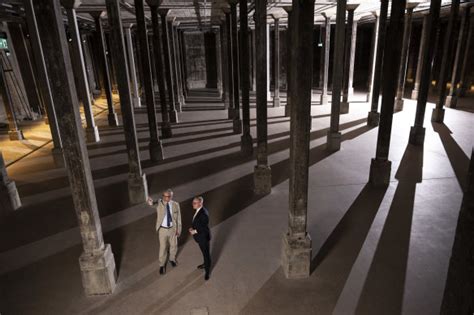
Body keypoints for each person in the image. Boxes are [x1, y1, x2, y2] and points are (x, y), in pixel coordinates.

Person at [147, 189, 182, 275]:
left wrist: (178, 229)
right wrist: (150, 202)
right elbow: (152, 204)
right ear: (163, 196)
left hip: (172, 229)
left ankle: (172, 259)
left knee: (174, 245)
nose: (167, 198)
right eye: (165, 196)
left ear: (171, 196)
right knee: (163, 248)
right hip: (162, 230)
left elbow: (178, 219)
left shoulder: (175, 204)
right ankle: (162, 265)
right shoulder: (159, 203)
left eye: (169, 196)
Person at [189, 196, 211, 280]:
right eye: (193, 202)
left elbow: (204, 228)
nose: (192, 204)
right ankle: (205, 264)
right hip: (200, 237)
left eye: (194, 203)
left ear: (200, 203)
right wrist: (192, 228)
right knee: (204, 253)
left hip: (203, 238)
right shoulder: (198, 210)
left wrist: (194, 231)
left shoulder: (204, 214)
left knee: (206, 255)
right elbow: (197, 222)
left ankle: (207, 272)